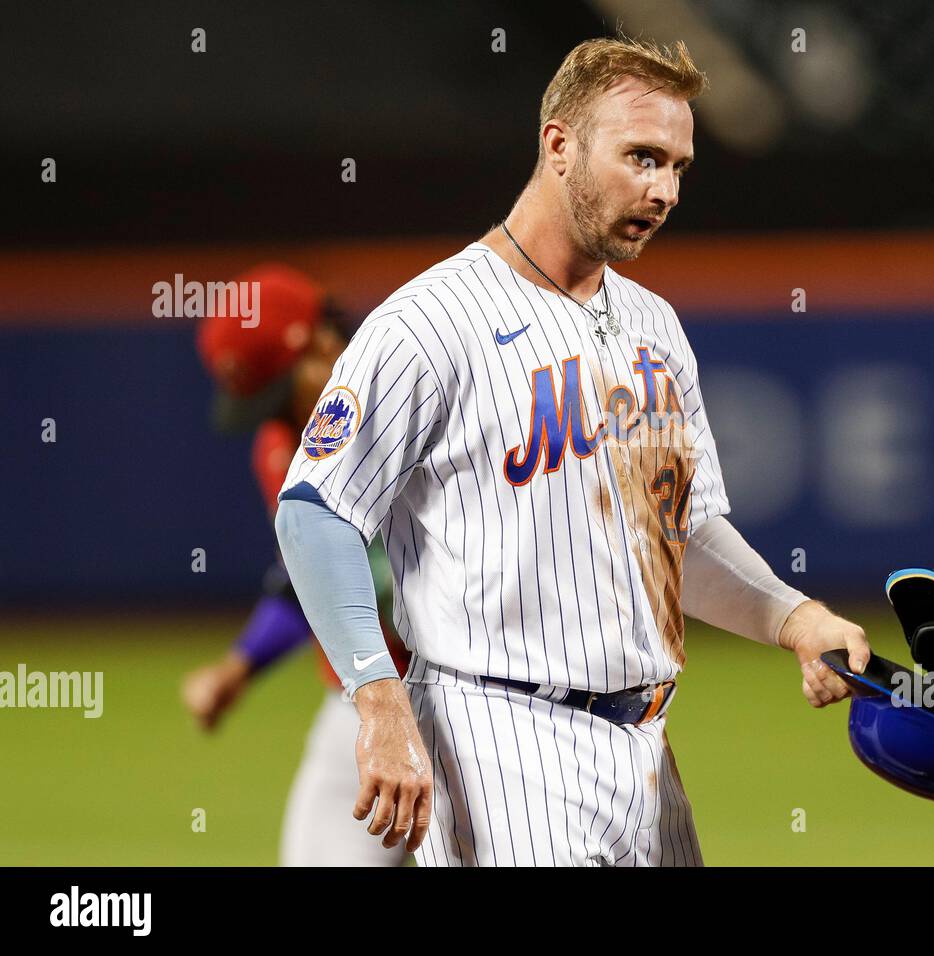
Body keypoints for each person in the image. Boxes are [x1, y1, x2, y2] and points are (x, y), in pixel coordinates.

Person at [274, 35, 870, 867]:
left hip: (647, 749)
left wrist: (794, 617)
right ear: (559, 145)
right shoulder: (431, 322)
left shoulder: (655, 324)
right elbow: (314, 511)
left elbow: (676, 536)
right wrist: (377, 702)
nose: (663, 190)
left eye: (678, 167)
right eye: (641, 157)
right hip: (500, 743)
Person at [184, 263, 409, 866]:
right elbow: (310, 583)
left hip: (489, 701)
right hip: (366, 701)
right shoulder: (283, 450)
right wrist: (241, 666)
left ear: (323, 343)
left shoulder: (418, 400)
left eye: (280, 397)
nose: (277, 419)